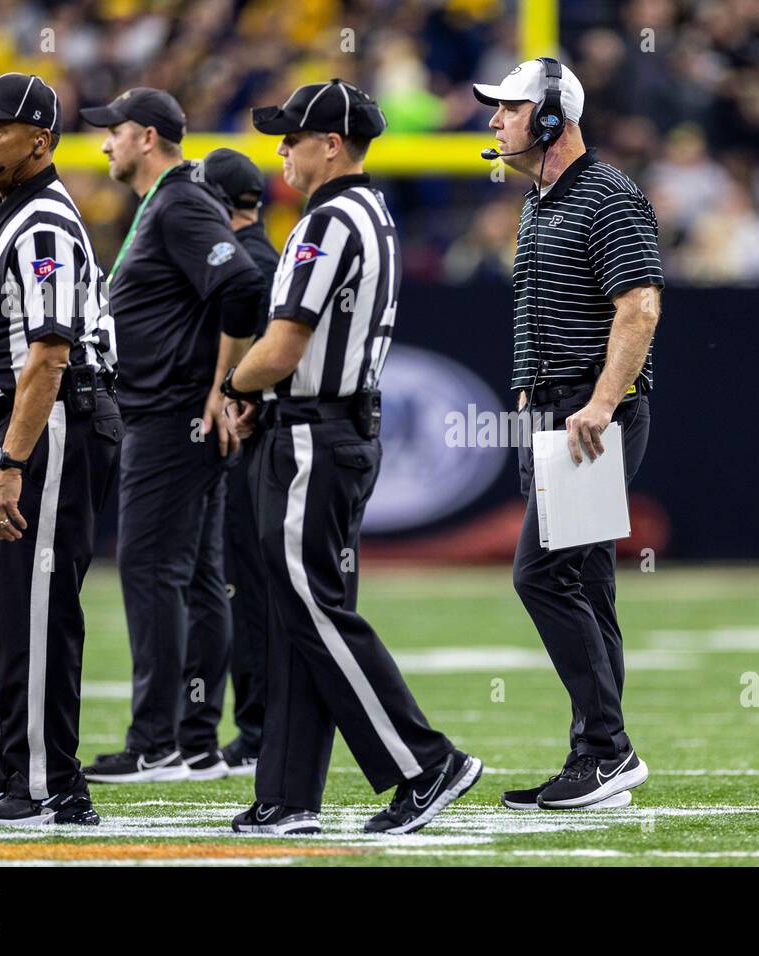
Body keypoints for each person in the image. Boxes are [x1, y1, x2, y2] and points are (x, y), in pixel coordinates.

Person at [222, 79, 481, 835]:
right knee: (297, 607)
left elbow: (285, 343)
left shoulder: (327, 221)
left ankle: (426, 762)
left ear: (330, 143)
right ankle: (290, 792)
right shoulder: (370, 213)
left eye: (292, 137)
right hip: (329, 428)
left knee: (310, 604)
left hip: (312, 431)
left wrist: (235, 386)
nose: (282, 151)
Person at [0, 73, 121, 826]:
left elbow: (49, 355)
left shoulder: (42, 222)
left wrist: (13, 458)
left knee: (37, 607)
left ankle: (45, 784)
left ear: (39, 140)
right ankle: (12, 764)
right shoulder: (15, 212)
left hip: (57, 421)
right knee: (13, 609)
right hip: (31, 422)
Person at [473, 58, 663, 809]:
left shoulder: (608, 194)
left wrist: (600, 402)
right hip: (558, 415)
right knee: (585, 583)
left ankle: (608, 752)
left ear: (550, 115)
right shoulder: (541, 200)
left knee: (539, 574)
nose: (494, 121)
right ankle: (596, 755)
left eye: (508, 108)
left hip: (589, 416)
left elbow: (640, 307)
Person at [78, 89, 266, 783]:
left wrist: (225, 383)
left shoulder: (181, 200)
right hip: (173, 411)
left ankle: (156, 741)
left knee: (152, 570)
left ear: (148, 137)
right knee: (194, 577)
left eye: (115, 132)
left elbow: (242, 286)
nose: (105, 144)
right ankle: (189, 739)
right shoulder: (172, 202)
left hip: (171, 414)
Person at [201, 147, 279, 775]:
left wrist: (232, 391)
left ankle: (257, 728)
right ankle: (254, 724)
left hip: (249, 439)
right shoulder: (261, 254)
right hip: (256, 439)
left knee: (246, 586)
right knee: (241, 585)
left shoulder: (246, 263)